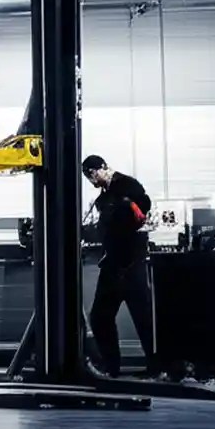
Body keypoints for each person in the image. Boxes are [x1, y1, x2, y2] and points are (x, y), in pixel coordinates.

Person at [82, 154, 156, 378]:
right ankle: (111, 367)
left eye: (93, 174)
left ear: (103, 168)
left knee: (143, 318)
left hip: (130, 262)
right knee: (101, 317)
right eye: (88, 177)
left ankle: (157, 366)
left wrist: (122, 209)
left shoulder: (127, 185)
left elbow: (143, 209)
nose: (92, 180)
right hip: (114, 262)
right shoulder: (103, 198)